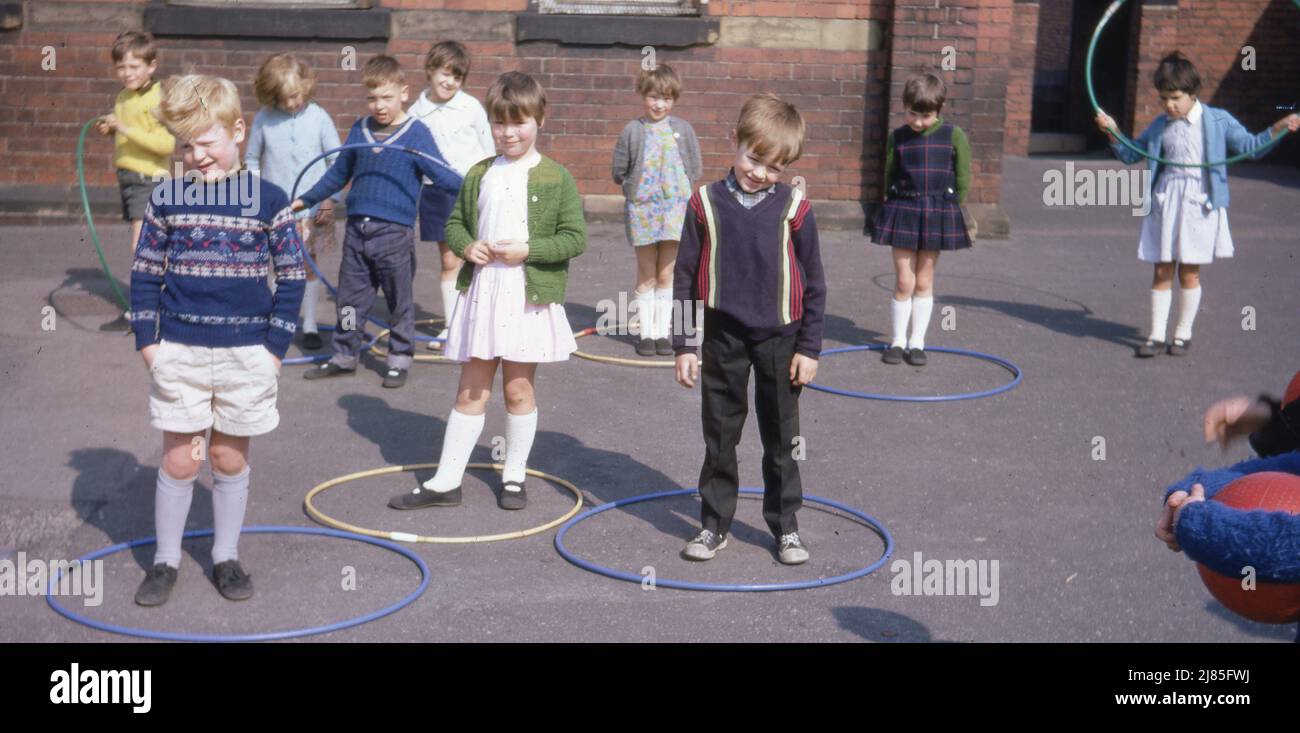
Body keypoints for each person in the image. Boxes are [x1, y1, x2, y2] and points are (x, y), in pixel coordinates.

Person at [128, 74, 305, 606]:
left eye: (207, 142)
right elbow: (144, 273)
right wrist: (149, 344)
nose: (197, 155)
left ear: (238, 132)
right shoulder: (167, 198)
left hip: (246, 354)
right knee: (181, 462)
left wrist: (274, 350)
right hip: (179, 351)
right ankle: (165, 560)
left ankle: (226, 556)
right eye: (186, 146)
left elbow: (292, 276)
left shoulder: (269, 200)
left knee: (227, 458)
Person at [388, 71, 584, 512]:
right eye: (500, 123)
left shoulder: (556, 177)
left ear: (539, 120)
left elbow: (575, 238)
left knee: (518, 390)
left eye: (519, 122)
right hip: (484, 293)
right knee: (470, 391)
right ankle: (446, 481)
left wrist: (529, 250)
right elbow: (456, 223)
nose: (509, 133)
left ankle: (514, 475)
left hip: (526, 297)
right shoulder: (479, 173)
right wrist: (467, 246)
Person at [672, 93, 826, 565]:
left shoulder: (795, 207)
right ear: (735, 140)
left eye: (774, 168)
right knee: (720, 434)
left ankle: (786, 527)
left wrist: (809, 348)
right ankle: (714, 524)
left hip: (781, 336)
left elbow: (815, 280)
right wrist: (685, 344)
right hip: (723, 334)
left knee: (782, 437)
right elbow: (684, 276)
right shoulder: (704, 203)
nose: (760, 173)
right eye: (754, 159)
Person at [1096, 51, 1300, 358]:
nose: (1169, 105)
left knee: (1189, 272)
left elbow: (1251, 147)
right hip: (1167, 201)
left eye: (1175, 98)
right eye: (1164, 98)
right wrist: (1113, 132)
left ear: (1193, 93)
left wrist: (1278, 128)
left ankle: (1182, 333)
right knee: (1162, 268)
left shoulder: (1217, 120)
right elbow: (1131, 153)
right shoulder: (1160, 124)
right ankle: (1155, 335)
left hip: (1199, 204)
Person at [294, 55, 463, 388]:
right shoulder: (360, 129)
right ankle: (344, 355)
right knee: (349, 300)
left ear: (404, 93)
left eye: (387, 97)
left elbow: (442, 173)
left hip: (394, 233)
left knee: (399, 300)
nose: (379, 105)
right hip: (357, 231)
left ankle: (399, 358)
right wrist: (306, 199)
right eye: (372, 98)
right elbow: (338, 174)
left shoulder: (416, 134)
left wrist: (479, 186)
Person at [871, 73, 971, 367]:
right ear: (905, 107)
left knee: (924, 279)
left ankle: (917, 343)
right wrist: (887, 202)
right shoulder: (898, 137)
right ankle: (897, 341)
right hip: (903, 208)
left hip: (935, 210)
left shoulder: (954, 135)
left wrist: (955, 205)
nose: (917, 121)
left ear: (939, 110)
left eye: (925, 116)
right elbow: (889, 172)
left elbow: (963, 174)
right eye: (912, 113)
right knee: (904, 280)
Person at [245, 52, 341, 350]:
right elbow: (252, 159)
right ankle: (278, 322)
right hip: (276, 210)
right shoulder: (264, 119)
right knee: (278, 266)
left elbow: (337, 161)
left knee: (308, 266)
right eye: (283, 99)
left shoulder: (318, 116)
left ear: (306, 86)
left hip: (311, 211)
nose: (290, 104)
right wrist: (255, 197)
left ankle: (310, 324)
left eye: (295, 96)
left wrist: (330, 200)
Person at [406, 40, 495, 348]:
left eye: (457, 77)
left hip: (473, 190)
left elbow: (488, 148)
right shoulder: (416, 113)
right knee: (449, 259)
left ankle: (481, 321)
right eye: (445, 74)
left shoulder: (471, 107)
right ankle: (452, 326)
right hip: (437, 194)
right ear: (430, 70)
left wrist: (490, 184)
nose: (450, 82)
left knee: (480, 255)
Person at [611, 63, 702, 355]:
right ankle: (646, 334)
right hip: (643, 210)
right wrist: (631, 187)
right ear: (642, 95)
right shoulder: (632, 131)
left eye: (666, 98)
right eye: (653, 97)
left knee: (667, 273)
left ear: (674, 99)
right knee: (647, 271)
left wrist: (682, 189)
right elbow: (619, 169)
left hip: (675, 209)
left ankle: (662, 331)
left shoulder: (683, 130)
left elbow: (694, 165)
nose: (659, 104)